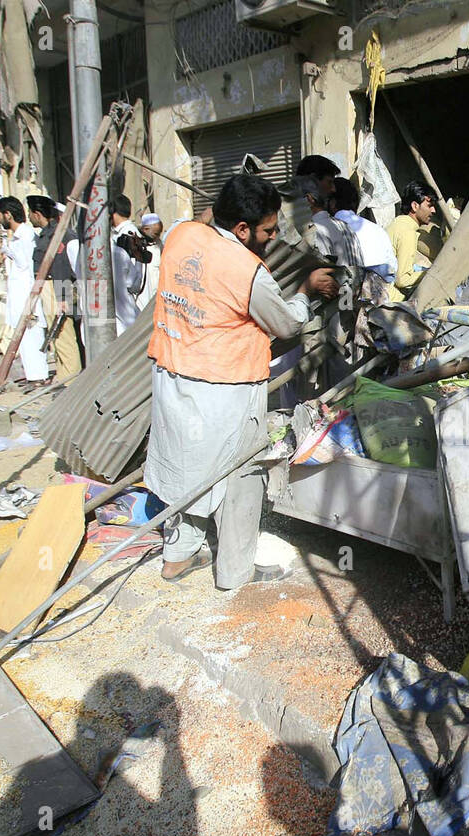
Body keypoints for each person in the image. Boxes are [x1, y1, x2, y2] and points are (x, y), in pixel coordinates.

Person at [143, 173, 337, 590]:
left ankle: (178, 555)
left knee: (184, 466)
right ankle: (235, 572)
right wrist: (305, 288)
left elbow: (210, 213)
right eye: (267, 230)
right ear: (242, 228)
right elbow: (285, 323)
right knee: (241, 475)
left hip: (171, 374)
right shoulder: (248, 271)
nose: (271, 239)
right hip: (222, 387)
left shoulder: (180, 235)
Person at [0, 196, 50, 387]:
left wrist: (4, 249)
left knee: (33, 337)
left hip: (28, 294)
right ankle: (33, 375)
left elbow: (25, 262)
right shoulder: (17, 236)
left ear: (8, 215)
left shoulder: (26, 235)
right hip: (19, 295)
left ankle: (40, 376)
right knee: (24, 337)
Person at [26, 195, 83, 379]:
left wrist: (63, 297)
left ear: (37, 214)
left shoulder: (62, 235)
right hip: (49, 287)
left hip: (57, 288)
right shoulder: (47, 234)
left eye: (30, 213)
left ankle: (71, 381)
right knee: (56, 339)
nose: (29, 216)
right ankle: (63, 377)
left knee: (64, 337)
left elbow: (67, 268)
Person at [330, 177, 395, 282]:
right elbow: (392, 270)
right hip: (380, 294)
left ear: (332, 203)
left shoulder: (328, 230)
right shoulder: (378, 230)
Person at [386, 180, 439, 301]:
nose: (433, 211)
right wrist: (433, 274)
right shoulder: (407, 231)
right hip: (390, 299)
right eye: (429, 206)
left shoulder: (399, 222)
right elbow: (402, 279)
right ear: (415, 206)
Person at [136, 213, 163, 312]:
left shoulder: (159, 245)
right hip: (141, 296)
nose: (157, 237)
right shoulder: (136, 244)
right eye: (155, 234)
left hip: (155, 294)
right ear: (145, 229)